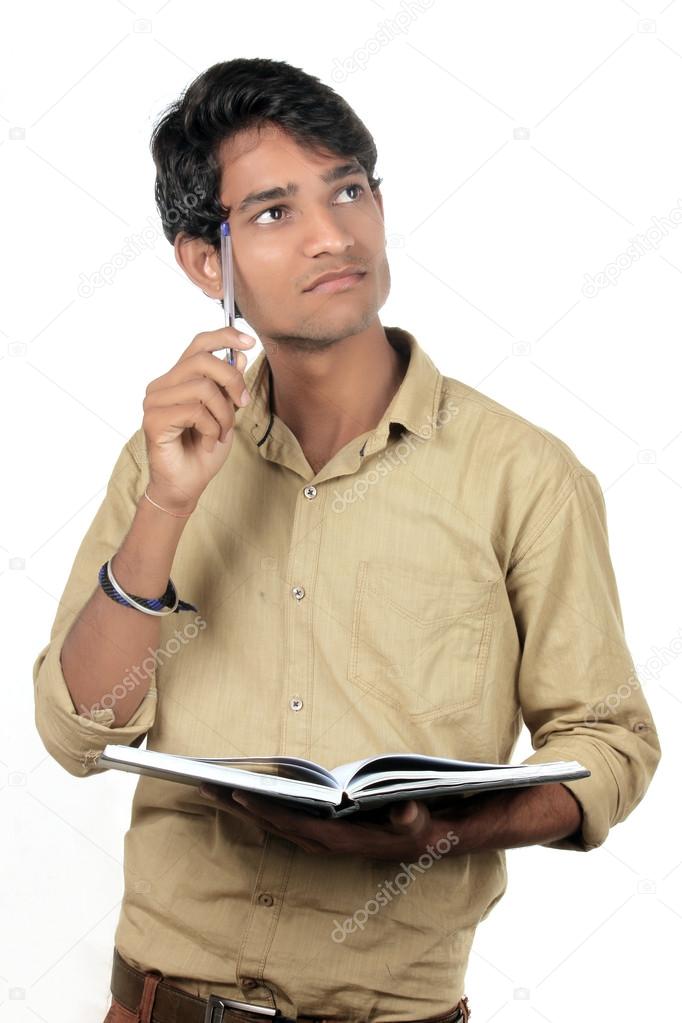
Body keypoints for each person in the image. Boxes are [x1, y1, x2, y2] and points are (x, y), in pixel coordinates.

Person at [32, 57, 660, 1023]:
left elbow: (611, 745)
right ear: (208, 263)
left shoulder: (527, 476)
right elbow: (80, 732)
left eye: (350, 191)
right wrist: (165, 506)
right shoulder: (165, 457)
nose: (333, 235)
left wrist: (438, 832)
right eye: (274, 212)